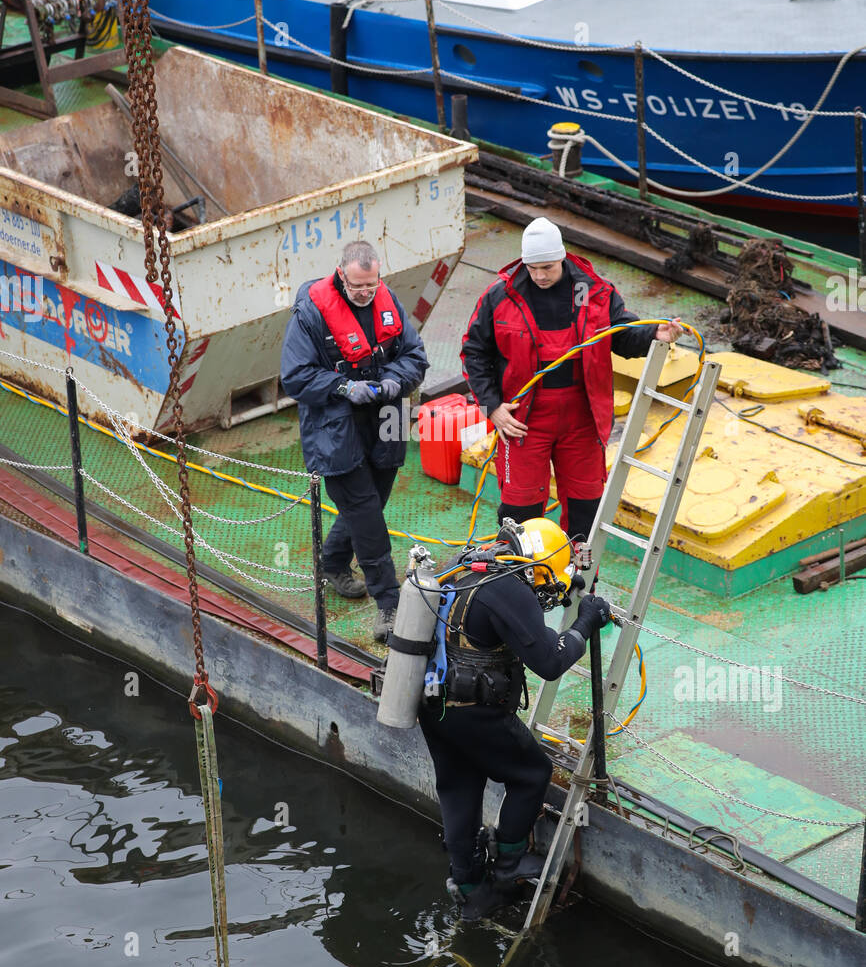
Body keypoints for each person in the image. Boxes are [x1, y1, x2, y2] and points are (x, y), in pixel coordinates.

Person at [420, 516, 612, 921]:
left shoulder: (473, 564)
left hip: (434, 704)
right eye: (548, 583)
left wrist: (568, 589)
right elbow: (551, 660)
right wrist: (587, 620)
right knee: (531, 773)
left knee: (459, 788)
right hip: (477, 714)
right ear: (536, 566)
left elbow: (520, 616)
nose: (546, 594)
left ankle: (468, 885)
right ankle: (509, 866)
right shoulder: (510, 589)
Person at [461, 217, 684, 543]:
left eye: (547, 267)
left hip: (582, 417)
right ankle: (521, 587)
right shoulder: (499, 297)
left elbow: (622, 336)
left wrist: (654, 334)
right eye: (532, 268)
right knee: (520, 513)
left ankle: (582, 587)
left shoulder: (596, 293)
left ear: (562, 257)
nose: (539, 276)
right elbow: (473, 353)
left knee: (586, 508)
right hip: (523, 420)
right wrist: (492, 407)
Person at [280, 241, 429, 642]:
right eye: (358, 286)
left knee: (373, 502)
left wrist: (396, 379)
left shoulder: (388, 301)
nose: (365, 293)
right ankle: (389, 604)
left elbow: (415, 354)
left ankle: (331, 563)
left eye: (371, 285)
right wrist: (343, 386)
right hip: (335, 424)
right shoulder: (311, 313)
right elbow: (294, 376)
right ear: (340, 274)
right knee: (366, 514)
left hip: (387, 416)